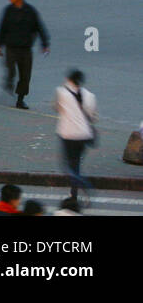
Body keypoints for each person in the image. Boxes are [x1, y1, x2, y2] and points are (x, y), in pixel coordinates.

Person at [0, 0, 49, 110]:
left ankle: (20, 99)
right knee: (11, 71)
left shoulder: (30, 11)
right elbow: (2, 28)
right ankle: (9, 84)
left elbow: (39, 27)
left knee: (25, 76)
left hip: (25, 49)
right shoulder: (8, 10)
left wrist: (45, 44)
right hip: (11, 48)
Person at [54, 69, 97, 205]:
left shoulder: (61, 92)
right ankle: (74, 194)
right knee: (76, 164)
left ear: (69, 79)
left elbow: (57, 108)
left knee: (67, 167)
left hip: (68, 134)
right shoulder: (90, 96)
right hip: (84, 135)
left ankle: (86, 186)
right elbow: (92, 116)